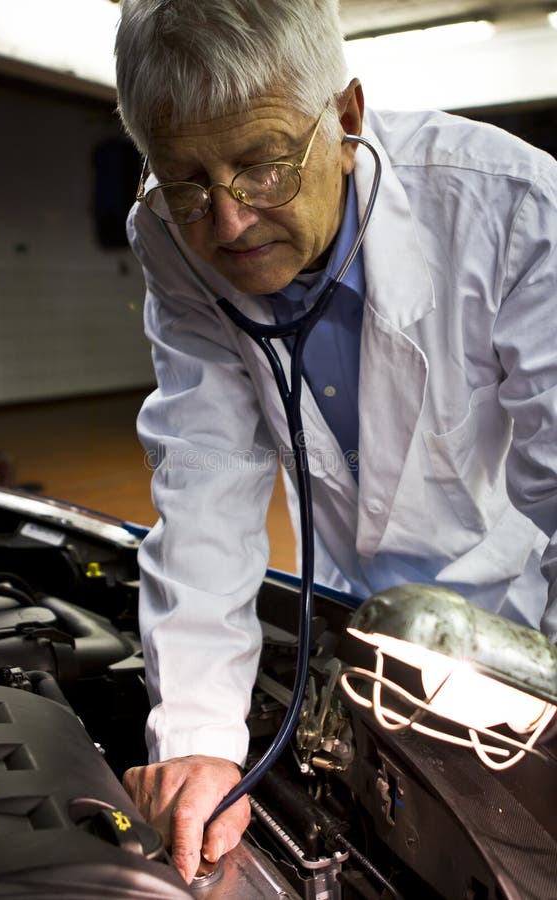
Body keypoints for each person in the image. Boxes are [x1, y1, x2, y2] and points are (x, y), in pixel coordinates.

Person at [114, 0, 557, 885]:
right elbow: (205, 476)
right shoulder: (170, 233)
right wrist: (201, 736)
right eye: (188, 180)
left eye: (263, 167)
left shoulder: (511, 207)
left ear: (347, 117)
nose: (229, 223)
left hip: (510, 618)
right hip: (351, 615)